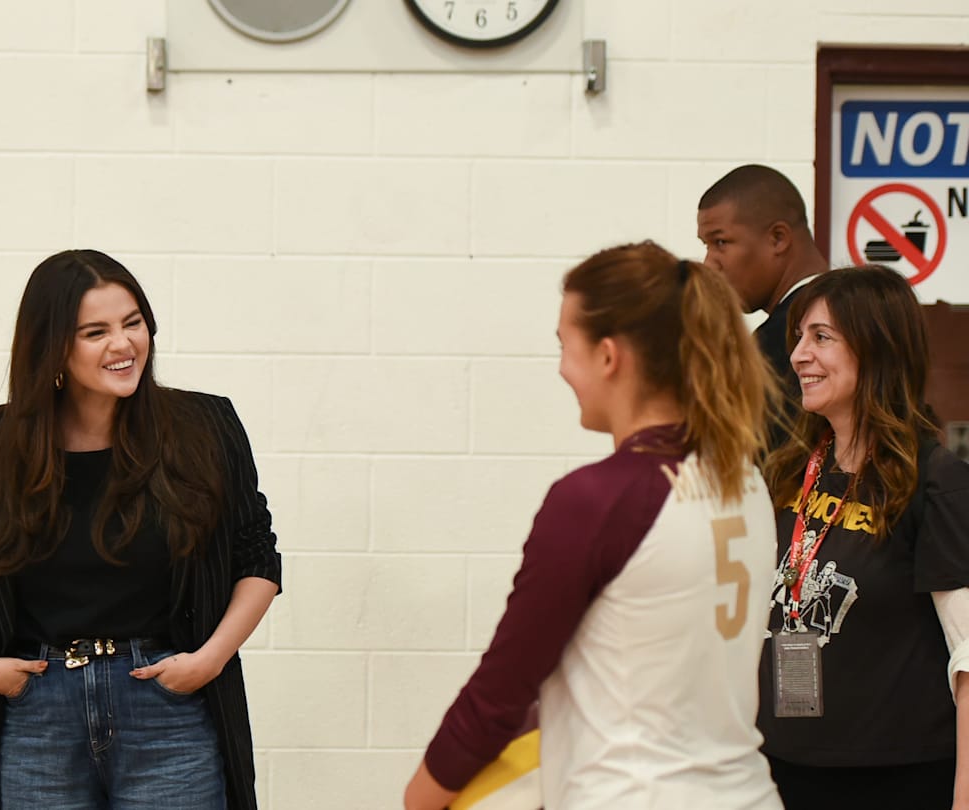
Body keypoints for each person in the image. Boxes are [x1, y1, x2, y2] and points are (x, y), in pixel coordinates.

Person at [404, 241, 782, 810]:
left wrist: (420, 795)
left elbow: (502, 690)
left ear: (609, 356)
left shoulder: (598, 498)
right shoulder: (745, 481)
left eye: (565, 345)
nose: (561, 367)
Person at [0, 249, 281, 809]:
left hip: (169, 710)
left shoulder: (205, 426)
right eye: (96, 332)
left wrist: (208, 661)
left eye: (133, 323)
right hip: (37, 711)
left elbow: (256, 556)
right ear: (53, 348)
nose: (123, 345)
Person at [758, 265, 969, 809]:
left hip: (896, 776)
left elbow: (968, 657)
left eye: (821, 337)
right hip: (784, 765)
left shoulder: (934, 478)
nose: (799, 354)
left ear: (878, 348)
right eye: (799, 337)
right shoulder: (789, 470)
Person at [697, 164, 829, 389]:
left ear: (778, 239)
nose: (708, 264)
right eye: (706, 245)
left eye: (721, 242)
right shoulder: (856, 318)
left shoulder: (783, 344)